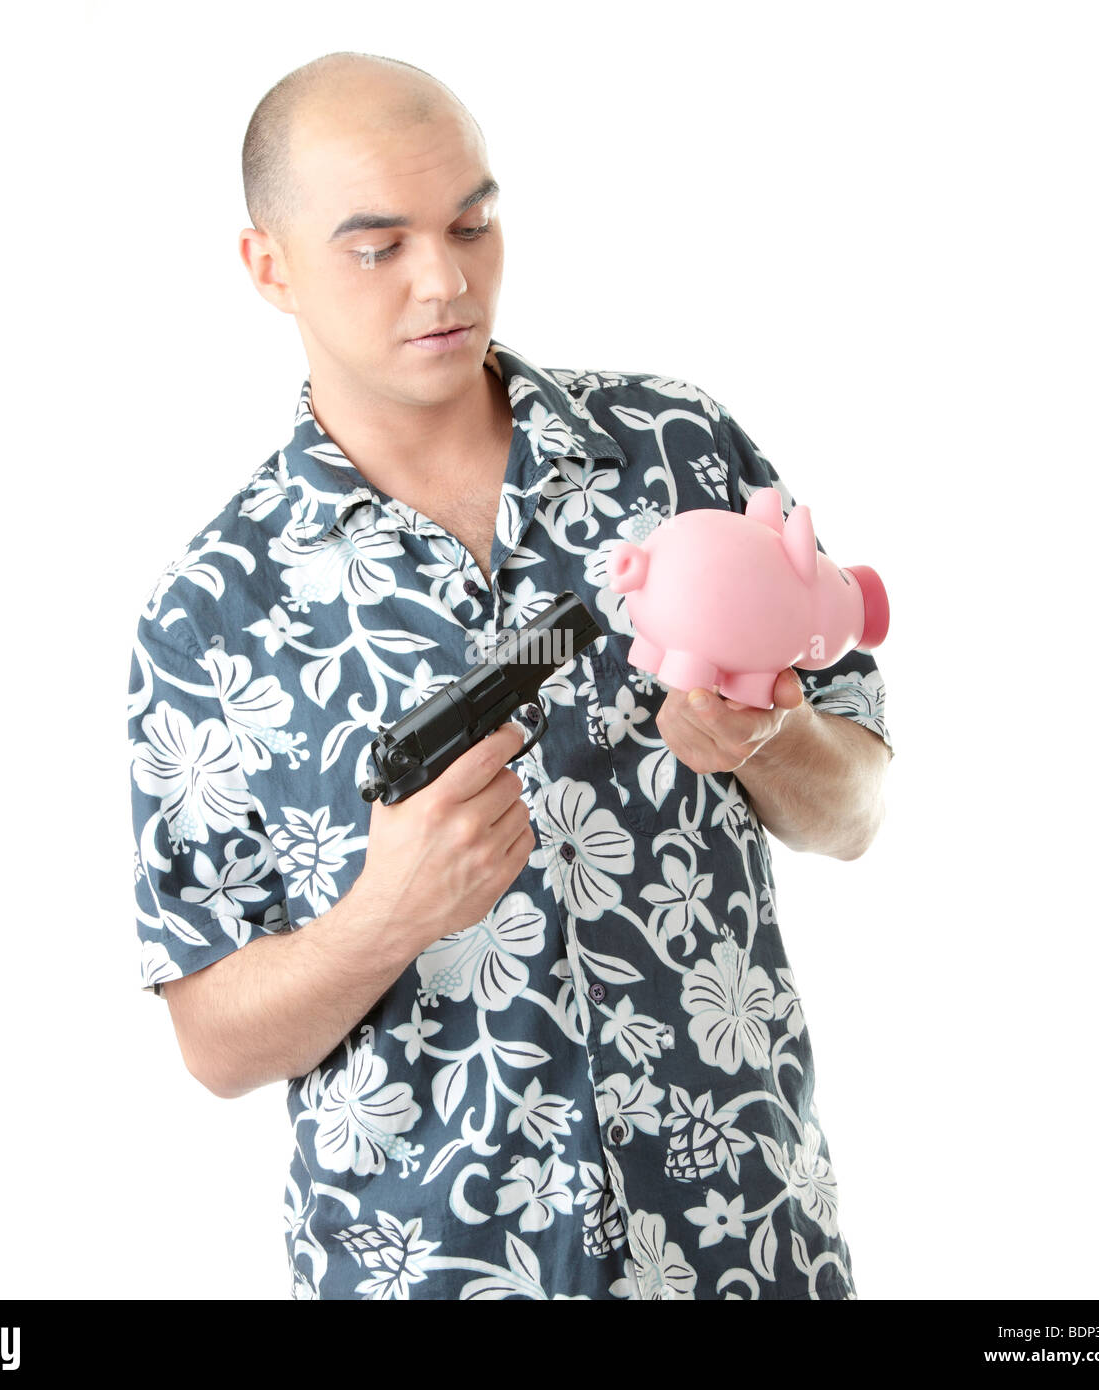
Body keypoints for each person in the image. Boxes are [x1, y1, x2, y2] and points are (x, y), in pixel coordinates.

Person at [126, 50, 894, 1301]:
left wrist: (770, 744)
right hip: (432, 1269)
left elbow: (858, 808)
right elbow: (211, 1038)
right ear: (268, 265)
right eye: (376, 246)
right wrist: (386, 916)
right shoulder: (211, 613)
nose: (446, 278)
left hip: (746, 1244)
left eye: (473, 223)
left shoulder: (677, 450)